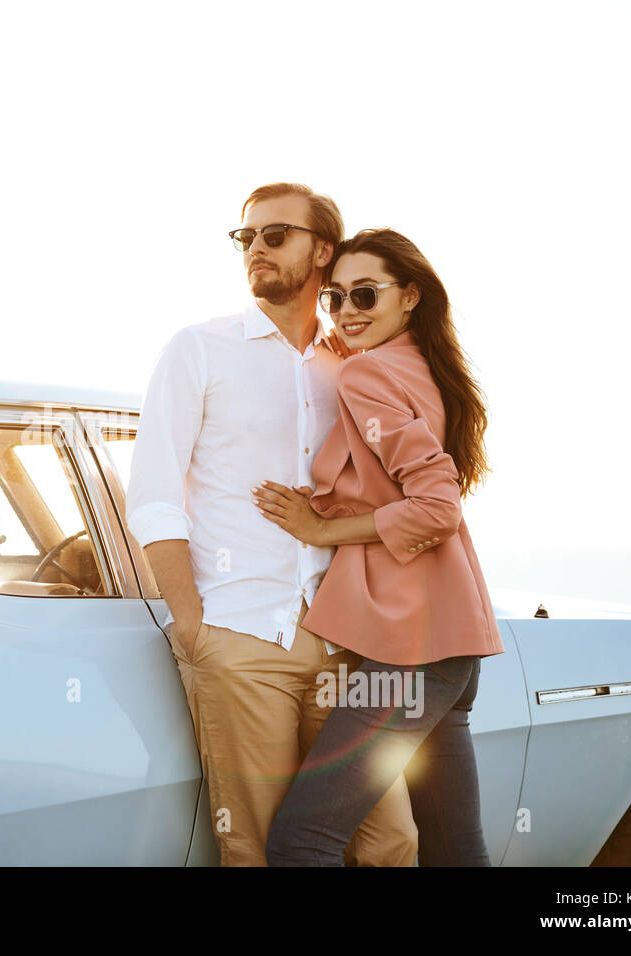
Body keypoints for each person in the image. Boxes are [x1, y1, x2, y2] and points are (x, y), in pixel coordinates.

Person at [126, 184, 419, 867]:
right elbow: (154, 496)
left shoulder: (348, 365)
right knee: (254, 849)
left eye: (274, 234)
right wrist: (194, 626)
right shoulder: (198, 349)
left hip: (342, 639)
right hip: (240, 638)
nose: (255, 248)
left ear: (322, 250)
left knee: (390, 841)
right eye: (246, 237)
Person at [254, 227, 506, 866]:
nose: (347, 312)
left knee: (302, 840)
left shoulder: (368, 374)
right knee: (454, 848)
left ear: (410, 296)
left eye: (365, 295)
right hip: (452, 644)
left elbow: (437, 508)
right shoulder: (422, 364)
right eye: (334, 298)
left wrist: (320, 530)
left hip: (411, 651)